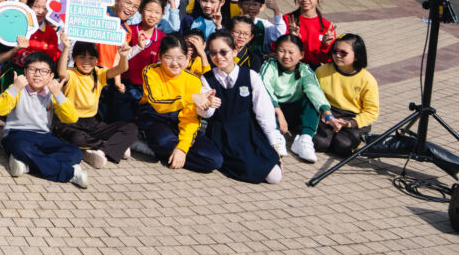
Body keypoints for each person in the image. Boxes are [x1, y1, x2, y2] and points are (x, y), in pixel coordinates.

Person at [0, 51, 90, 188]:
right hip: (17, 134)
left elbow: (71, 118)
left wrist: (58, 96)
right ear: (25, 72)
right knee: (22, 148)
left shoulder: (52, 91)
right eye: (32, 69)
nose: (37, 74)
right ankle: (71, 173)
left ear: (51, 76)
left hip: (44, 136)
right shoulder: (18, 88)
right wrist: (14, 89)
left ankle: (27, 165)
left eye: (44, 71)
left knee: (76, 153)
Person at [201, 33, 286, 184]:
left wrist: (274, 145)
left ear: (234, 51)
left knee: (275, 177)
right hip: (222, 133)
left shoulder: (250, 76)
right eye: (213, 53)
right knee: (248, 168)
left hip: (248, 131)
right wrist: (208, 104)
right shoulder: (206, 78)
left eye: (223, 52)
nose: (218, 57)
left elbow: (264, 111)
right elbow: (206, 114)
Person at [135, 36, 223, 171]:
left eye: (180, 58)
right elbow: (158, 104)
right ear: (160, 56)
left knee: (214, 160)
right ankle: (146, 142)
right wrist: (191, 98)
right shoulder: (150, 72)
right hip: (155, 117)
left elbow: (190, 118)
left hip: (179, 120)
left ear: (187, 58)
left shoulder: (193, 80)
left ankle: (165, 153)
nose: (175, 63)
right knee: (164, 141)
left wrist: (182, 148)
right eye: (169, 57)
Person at [261, 34, 334, 164]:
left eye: (291, 52)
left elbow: (314, 91)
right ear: (276, 52)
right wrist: (279, 113)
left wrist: (327, 113)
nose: (286, 56)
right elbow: (264, 89)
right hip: (274, 111)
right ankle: (276, 136)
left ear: (301, 55)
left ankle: (305, 139)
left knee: (310, 99)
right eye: (282, 51)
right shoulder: (269, 65)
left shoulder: (305, 69)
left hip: (294, 112)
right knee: (264, 101)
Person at [312, 34, 379, 156]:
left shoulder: (367, 80)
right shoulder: (322, 71)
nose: (337, 55)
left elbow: (371, 111)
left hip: (352, 117)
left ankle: (339, 138)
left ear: (357, 56)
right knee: (319, 143)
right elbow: (314, 97)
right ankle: (330, 138)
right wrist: (326, 115)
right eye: (335, 51)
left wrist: (351, 123)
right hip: (328, 112)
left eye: (343, 53)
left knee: (343, 145)